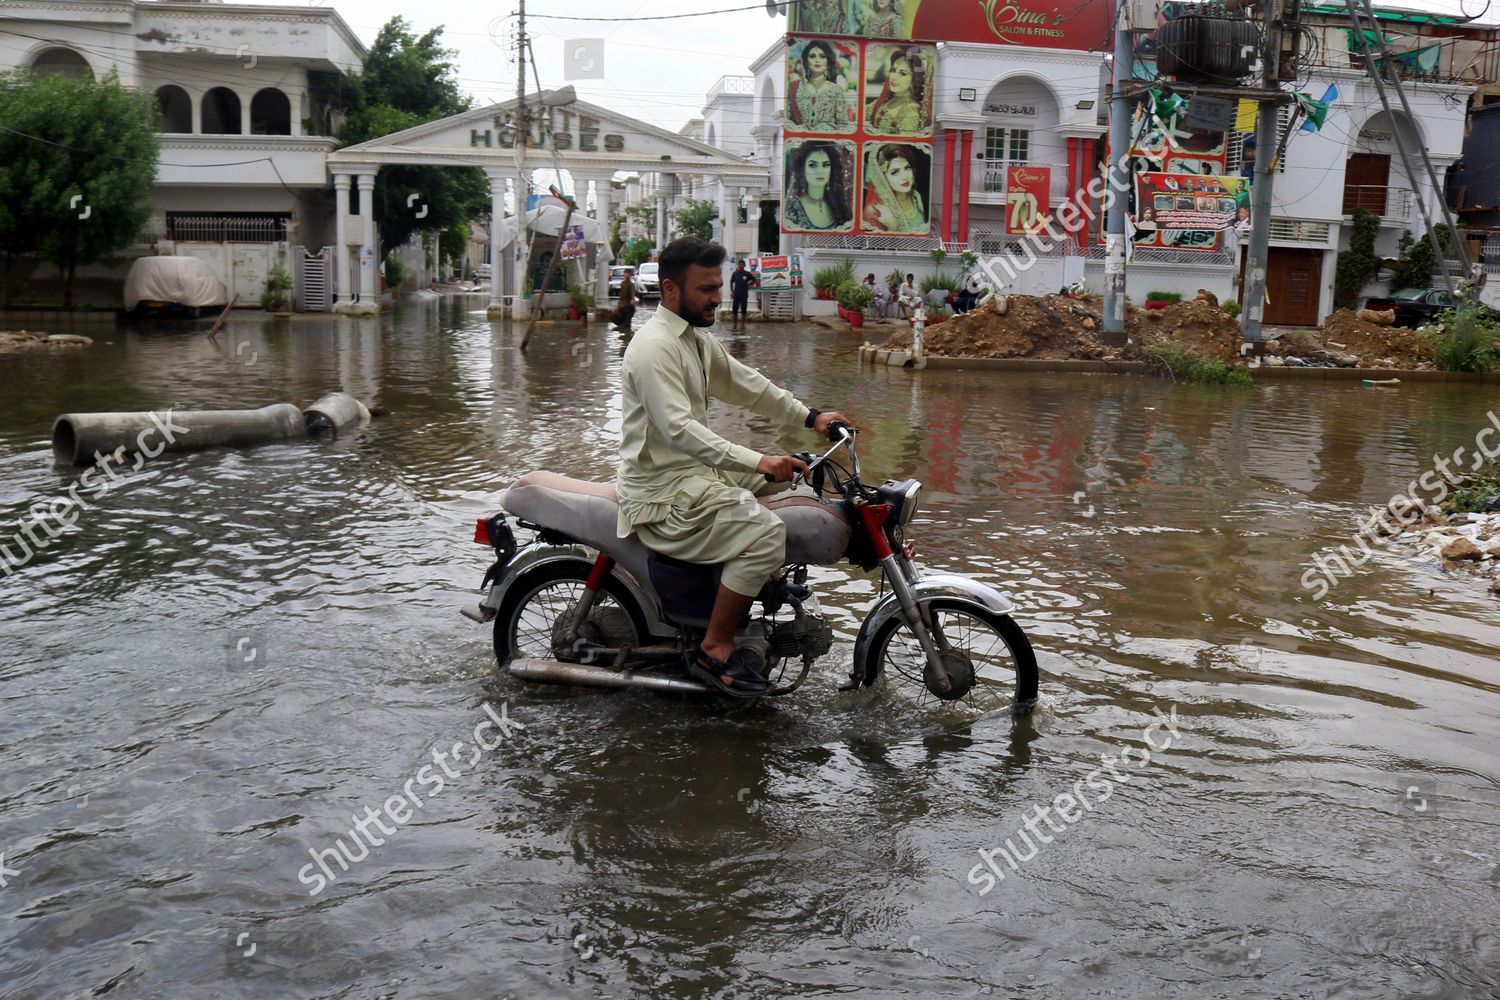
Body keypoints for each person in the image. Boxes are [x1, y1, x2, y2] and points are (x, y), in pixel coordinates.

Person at [616, 237, 853, 698]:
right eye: (705, 288)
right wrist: (758, 461)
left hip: (692, 475)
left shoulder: (694, 342)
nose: (718, 296)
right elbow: (681, 430)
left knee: (796, 479)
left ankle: (750, 600)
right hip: (663, 493)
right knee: (767, 532)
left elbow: (749, 386)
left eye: (718, 286)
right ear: (669, 290)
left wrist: (811, 418)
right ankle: (715, 645)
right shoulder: (653, 349)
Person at [784, 141, 852, 232]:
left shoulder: (838, 205)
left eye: (825, 165)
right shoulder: (795, 209)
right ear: (803, 170)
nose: (820, 171)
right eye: (813, 165)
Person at [862, 144, 928, 234]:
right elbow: (872, 245)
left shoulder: (916, 196)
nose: (905, 177)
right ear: (883, 178)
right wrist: (892, 228)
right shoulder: (875, 211)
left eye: (907, 168)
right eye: (895, 172)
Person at [789, 40, 852, 134]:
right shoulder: (794, 87)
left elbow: (843, 126)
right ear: (806, 61)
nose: (817, 60)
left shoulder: (836, 90)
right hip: (799, 143)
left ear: (828, 61)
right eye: (812, 56)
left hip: (827, 145)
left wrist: (826, 130)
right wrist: (799, 129)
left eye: (822, 56)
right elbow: (786, 120)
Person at [864, 47, 930, 136]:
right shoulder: (887, 101)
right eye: (893, 70)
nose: (893, 77)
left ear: (914, 80)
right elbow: (861, 114)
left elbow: (903, 145)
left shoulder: (910, 113)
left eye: (902, 73)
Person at [728, 259, 756, 329]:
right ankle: (735, 324)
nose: (741, 265)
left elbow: (754, 280)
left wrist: (749, 284)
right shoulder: (735, 273)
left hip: (744, 294)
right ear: (738, 265)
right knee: (735, 309)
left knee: (744, 309)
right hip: (736, 294)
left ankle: (743, 324)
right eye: (739, 264)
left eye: (742, 264)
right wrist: (732, 292)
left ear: (744, 265)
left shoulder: (747, 274)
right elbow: (731, 282)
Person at [612, 268, 636, 332]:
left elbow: (632, 292)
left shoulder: (631, 284)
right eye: (625, 273)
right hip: (622, 305)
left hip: (629, 307)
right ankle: (624, 334)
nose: (627, 275)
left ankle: (627, 335)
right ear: (624, 274)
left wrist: (632, 299)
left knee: (627, 324)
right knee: (618, 319)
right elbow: (621, 295)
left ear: (630, 275)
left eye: (628, 273)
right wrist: (618, 306)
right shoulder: (622, 283)